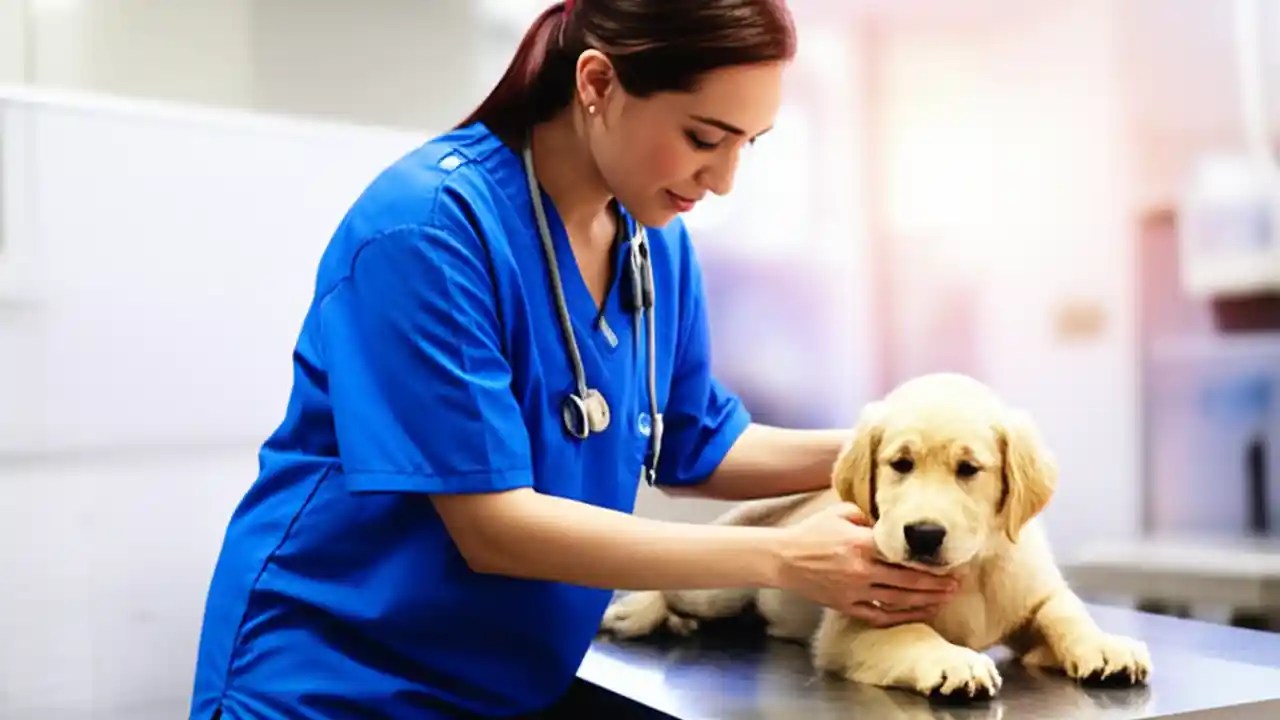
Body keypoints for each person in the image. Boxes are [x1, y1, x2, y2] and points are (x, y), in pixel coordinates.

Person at [188, 1, 958, 718]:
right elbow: (493, 526)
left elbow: (693, 445)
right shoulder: (427, 231)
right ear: (597, 83)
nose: (723, 180)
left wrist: (898, 450)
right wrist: (783, 557)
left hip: (502, 687)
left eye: (747, 145)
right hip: (334, 683)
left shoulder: (655, 239)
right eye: (704, 138)